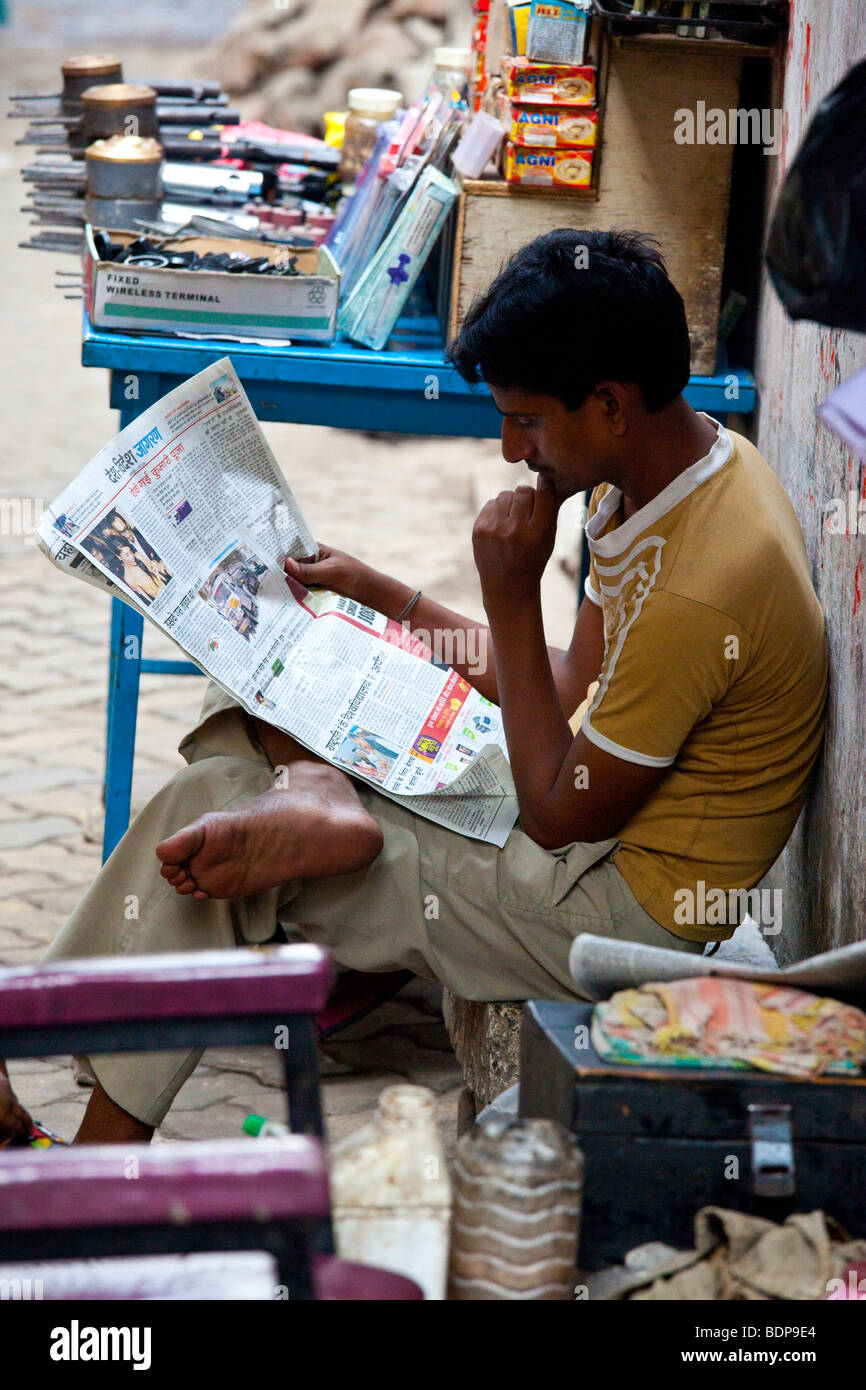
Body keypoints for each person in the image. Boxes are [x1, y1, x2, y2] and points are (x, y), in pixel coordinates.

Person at [42, 229, 828, 1145]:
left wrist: (511, 594)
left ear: (610, 405)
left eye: (527, 421)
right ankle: (314, 788)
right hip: (578, 821)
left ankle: (86, 1152)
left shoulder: (701, 587)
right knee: (251, 698)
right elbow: (569, 681)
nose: (509, 449)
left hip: (616, 913)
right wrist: (381, 593)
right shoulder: (676, 473)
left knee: (220, 831)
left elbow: (557, 813)